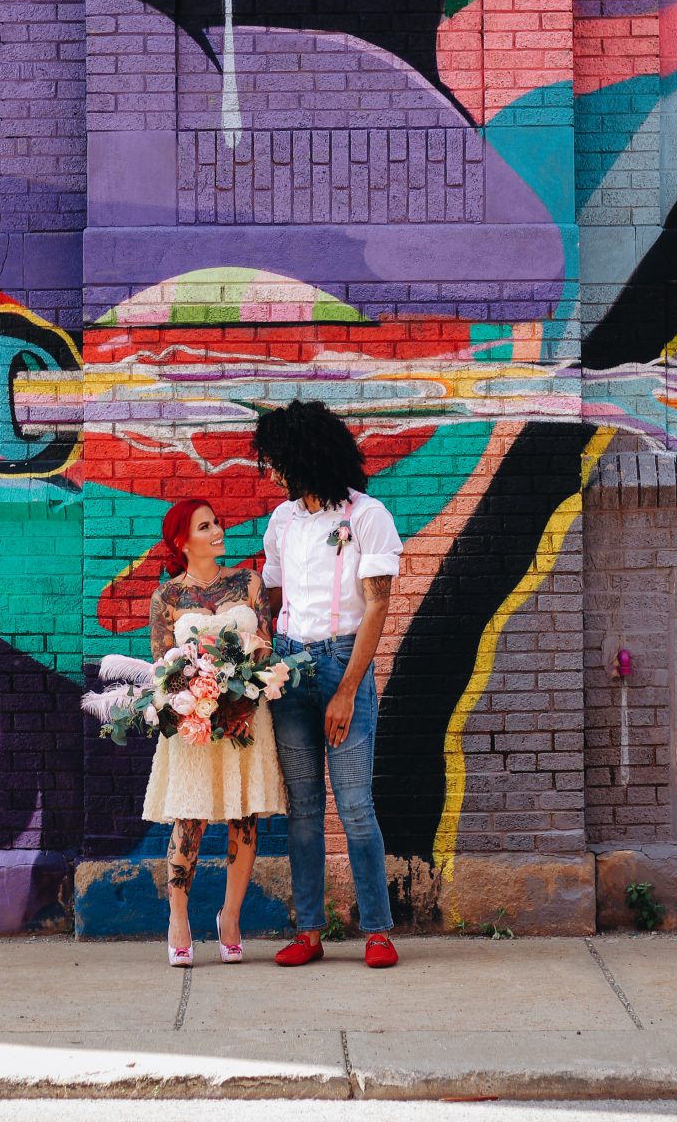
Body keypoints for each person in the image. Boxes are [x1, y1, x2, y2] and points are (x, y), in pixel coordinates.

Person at [254, 400, 403, 969]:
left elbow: (378, 607)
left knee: (356, 804)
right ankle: (309, 930)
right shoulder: (283, 521)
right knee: (304, 808)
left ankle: (378, 931)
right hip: (289, 667)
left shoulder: (367, 517)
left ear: (304, 456)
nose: (274, 471)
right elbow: (270, 596)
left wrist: (346, 691)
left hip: (345, 664)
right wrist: (257, 654)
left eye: (278, 460)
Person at [142, 498, 286, 966]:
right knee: (190, 818)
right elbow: (165, 667)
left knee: (244, 817)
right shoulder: (166, 599)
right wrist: (200, 695)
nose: (218, 530)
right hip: (194, 722)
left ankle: (230, 916)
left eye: (217, 522)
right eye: (206, 526)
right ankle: (179, 918)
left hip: (245, 716)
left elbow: (264, 647)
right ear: (183, 541)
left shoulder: (248, 583)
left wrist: (241, 699)